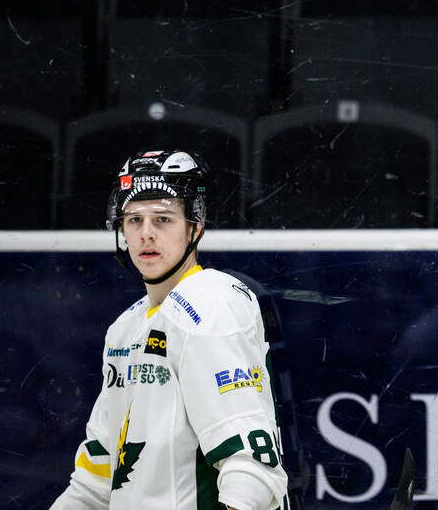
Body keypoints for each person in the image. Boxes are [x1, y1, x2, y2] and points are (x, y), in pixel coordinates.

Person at [51, 149, 288, 509]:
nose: (146, 234)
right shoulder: (125, 329)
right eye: (134, 220)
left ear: (196, 226)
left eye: (162, 219)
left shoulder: (211, 304)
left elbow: (250, 464)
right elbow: (95, 481)